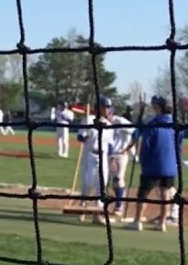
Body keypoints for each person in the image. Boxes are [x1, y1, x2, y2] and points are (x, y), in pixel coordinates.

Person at [126, 95, 182, 231]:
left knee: (143, 194)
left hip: (153, 165)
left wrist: (143, 162)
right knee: (165, 193)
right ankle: (161, 223)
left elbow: (146, 146)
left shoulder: (152, 125)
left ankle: (137, 220)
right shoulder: (176, 125)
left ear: (159, 107)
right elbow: (179, 146)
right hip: (170, 165)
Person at [74, 97, 115, 222]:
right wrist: (83, 137)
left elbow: (110, 144)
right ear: (99, 107)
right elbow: (80, 136)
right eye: (105, 107)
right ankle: (82, 208)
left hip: (103, 156)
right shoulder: (89, 119)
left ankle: (98, 213)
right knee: (88, 182)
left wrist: (112, 159)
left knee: (101, 185)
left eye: (108, 107)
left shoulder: (108, 124)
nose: (107, 110)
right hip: (90, 155)